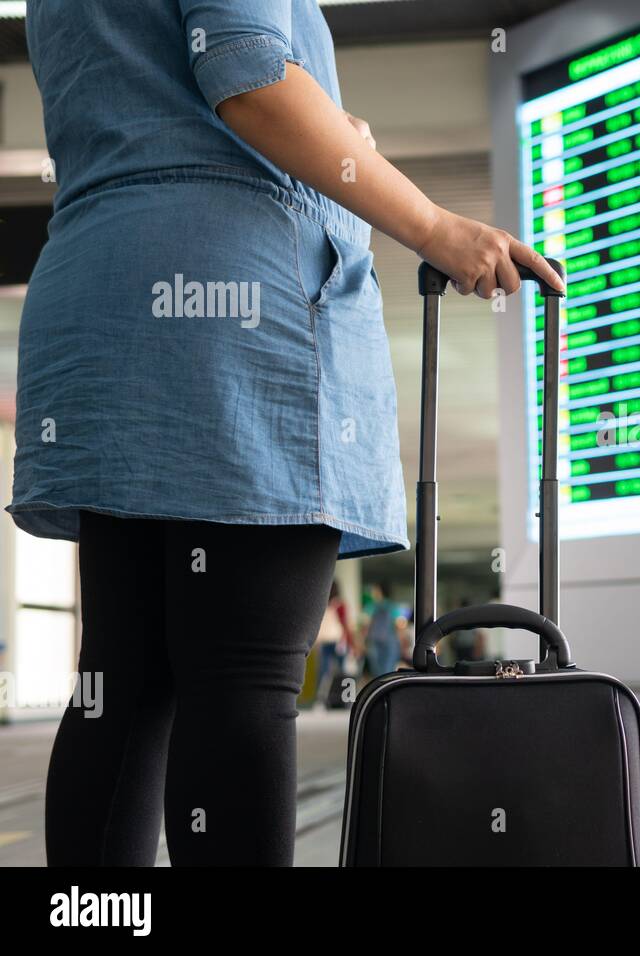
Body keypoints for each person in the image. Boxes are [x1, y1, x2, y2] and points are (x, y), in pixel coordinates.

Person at [11, 0, 562, 868]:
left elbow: (165, 92)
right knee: (238, 682)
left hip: (107, 294)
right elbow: (247, 73)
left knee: (123, 683)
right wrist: (438, 227)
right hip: (231, 316)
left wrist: (334, 130)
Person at [312, 582, 354, 708]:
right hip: (339, 642)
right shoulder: (341, 604)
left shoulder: (323, 603)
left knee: (324, 671)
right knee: (343, 671)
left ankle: (320, 700)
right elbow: (345, 625)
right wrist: (352, 643)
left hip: (325, 641)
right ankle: (346, 699)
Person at [363, 584, 400, 678]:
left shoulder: (371, 606)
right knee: (388, 670)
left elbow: (366, 626)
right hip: (390, 641)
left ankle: (379, 690)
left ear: (379, 591)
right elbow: (398, 626)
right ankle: (387, 690)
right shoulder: (392, 606)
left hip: (374, 640)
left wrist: (362, 641)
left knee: (377, 671)